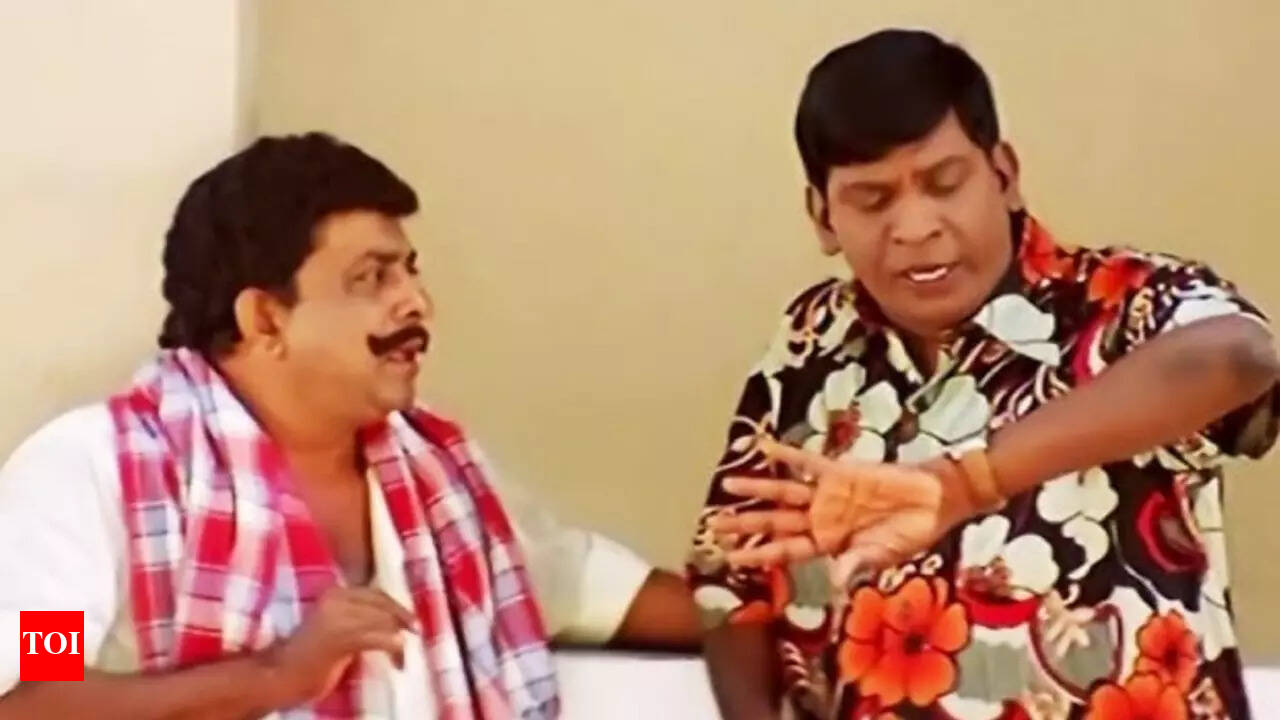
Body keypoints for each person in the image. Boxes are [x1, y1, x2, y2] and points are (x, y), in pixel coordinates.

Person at [0, 132, 696, 719]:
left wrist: (755, 603)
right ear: (265, 318)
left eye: (410, 273)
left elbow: (592, 590)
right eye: (371, 278)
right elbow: (33, 696)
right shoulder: (89, 472)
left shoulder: (442, 485)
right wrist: (276, 675)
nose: (416, 303)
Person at [689, 29, 1279, 720]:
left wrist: (970, 482)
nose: (915, 227)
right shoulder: (810, 341)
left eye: (945, 184)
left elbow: (1241, 359)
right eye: (872, 200)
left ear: (1003, 175)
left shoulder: (1124, 305)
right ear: (823, 217)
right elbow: (732, 582)